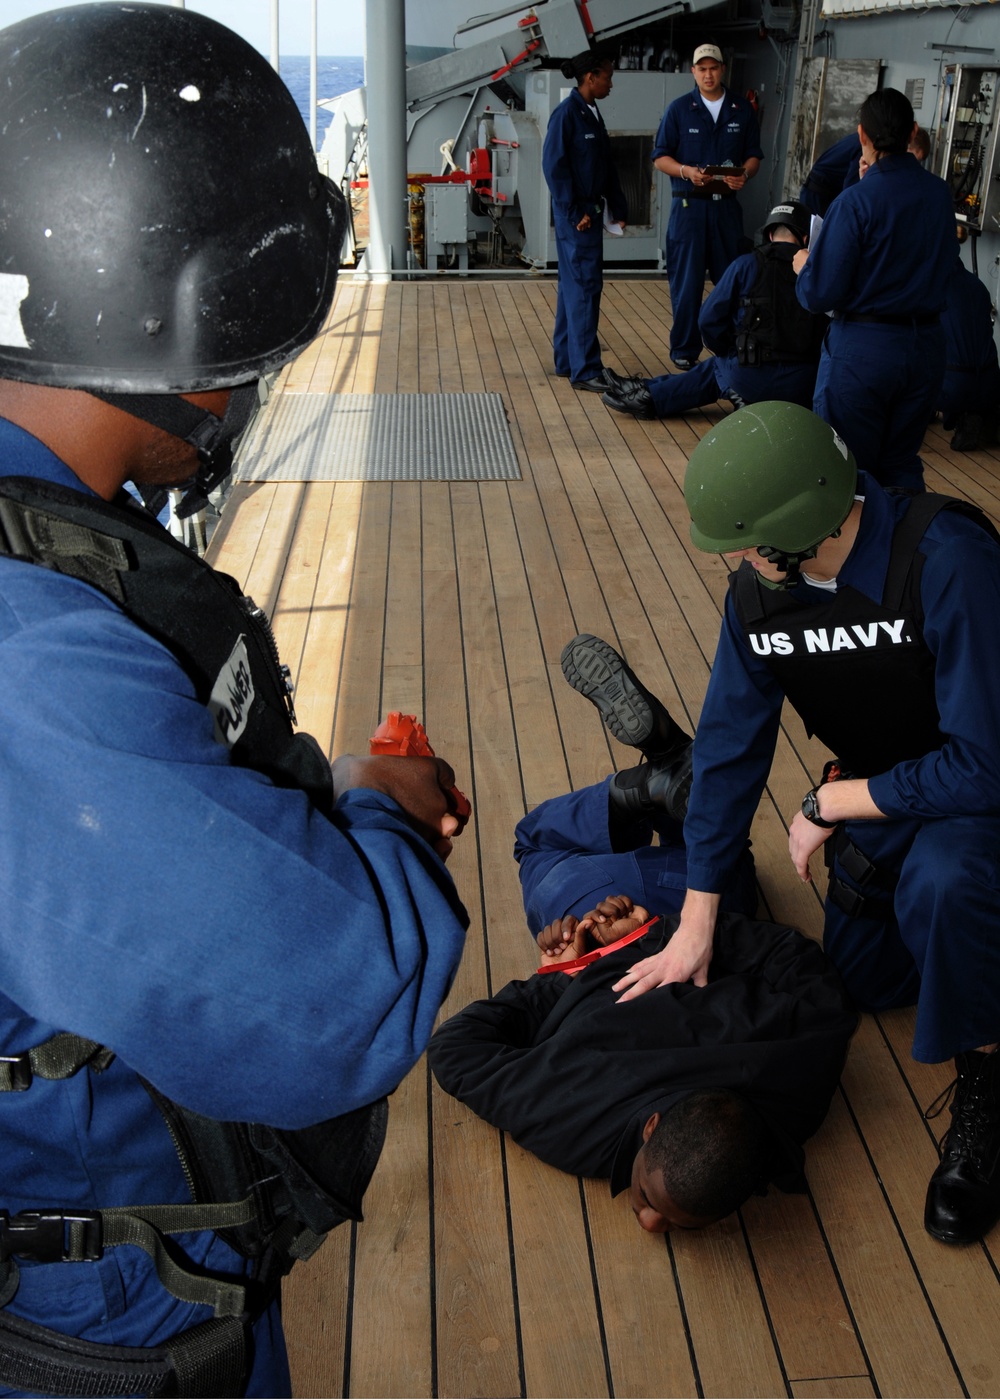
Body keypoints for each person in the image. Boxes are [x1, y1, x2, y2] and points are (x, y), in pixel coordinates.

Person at [0, 6, 469, 1397]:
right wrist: (378, 819)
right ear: (188, 337)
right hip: (102, 1334)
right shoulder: (38, 667)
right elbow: (340, 1000)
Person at [606, 400, 1000, 1250]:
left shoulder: (947, 560)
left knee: (948, 886)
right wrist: (699, 915)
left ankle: (987, 1081)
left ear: (799, 526)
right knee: (871, 981)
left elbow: (986, 764)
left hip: (978, 789)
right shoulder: (762, 596)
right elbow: (729, 754)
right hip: (894, 788)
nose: (737, 564)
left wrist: (834, 801)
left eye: (745, 542)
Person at [428, 645, 856, 1234]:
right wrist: (585, 967)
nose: (649, 1221)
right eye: (655, 1198)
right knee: (533, 842)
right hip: (612, 913)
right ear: (651, 1127)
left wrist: (664, 939)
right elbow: (454, 1049)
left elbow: (800, 964)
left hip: (698, 902)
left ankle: (660, 777)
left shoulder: (799, 1080)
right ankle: (649, 784)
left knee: (726, 865)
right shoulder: (571, 1119)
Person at [793, 89, 957, 493]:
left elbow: (819, 294)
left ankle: (858, 553)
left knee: (847, 467)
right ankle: (909, 551)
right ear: (912, 132)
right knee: (901, 463)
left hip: (865, 350)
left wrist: (804, 267)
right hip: (926, 347)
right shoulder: (940, 195)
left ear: (862, 135)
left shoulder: (854, 202)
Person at [600, 199, 825, 420]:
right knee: (723, 367)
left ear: (769, 235)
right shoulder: (819, 275)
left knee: (719, 367)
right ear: (806, 238)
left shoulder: (746, 265)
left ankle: (646, 396)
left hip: (751, 378)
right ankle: (645, 391)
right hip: (803, 384)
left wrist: (728, 351)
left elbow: (708, 319)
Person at [652, 43, 763, 371]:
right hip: (689, 209)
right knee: (686, 283)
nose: (708, 74)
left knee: (732, 281)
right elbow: (660, 157)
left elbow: (754, 155)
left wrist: (745, 173)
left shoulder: (742, 110)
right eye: (702, 68)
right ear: (694, 72)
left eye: (713, 68)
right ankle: (685, 350)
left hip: (726, 210)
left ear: (723, 69)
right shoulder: (679, 110)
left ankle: (729, 345)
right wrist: (686, 171)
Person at [542, 51, 629, 394]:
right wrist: (574, 211)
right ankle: (586, 369)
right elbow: (554, 167)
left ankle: (567, 359)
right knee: (585, 289)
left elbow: (604, 166)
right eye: (608, 76)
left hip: (589, 213)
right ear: (591, 78)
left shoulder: (591, 112)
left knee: (572, 288)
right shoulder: (567, 115)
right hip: (578, 218)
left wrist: (618, 206)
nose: (611, 82)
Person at [936, 260, 1000, 452]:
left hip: (951, 388)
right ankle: (978, 413)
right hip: (991, 383)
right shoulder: (978, 285)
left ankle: (944, 414)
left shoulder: (931, 287)